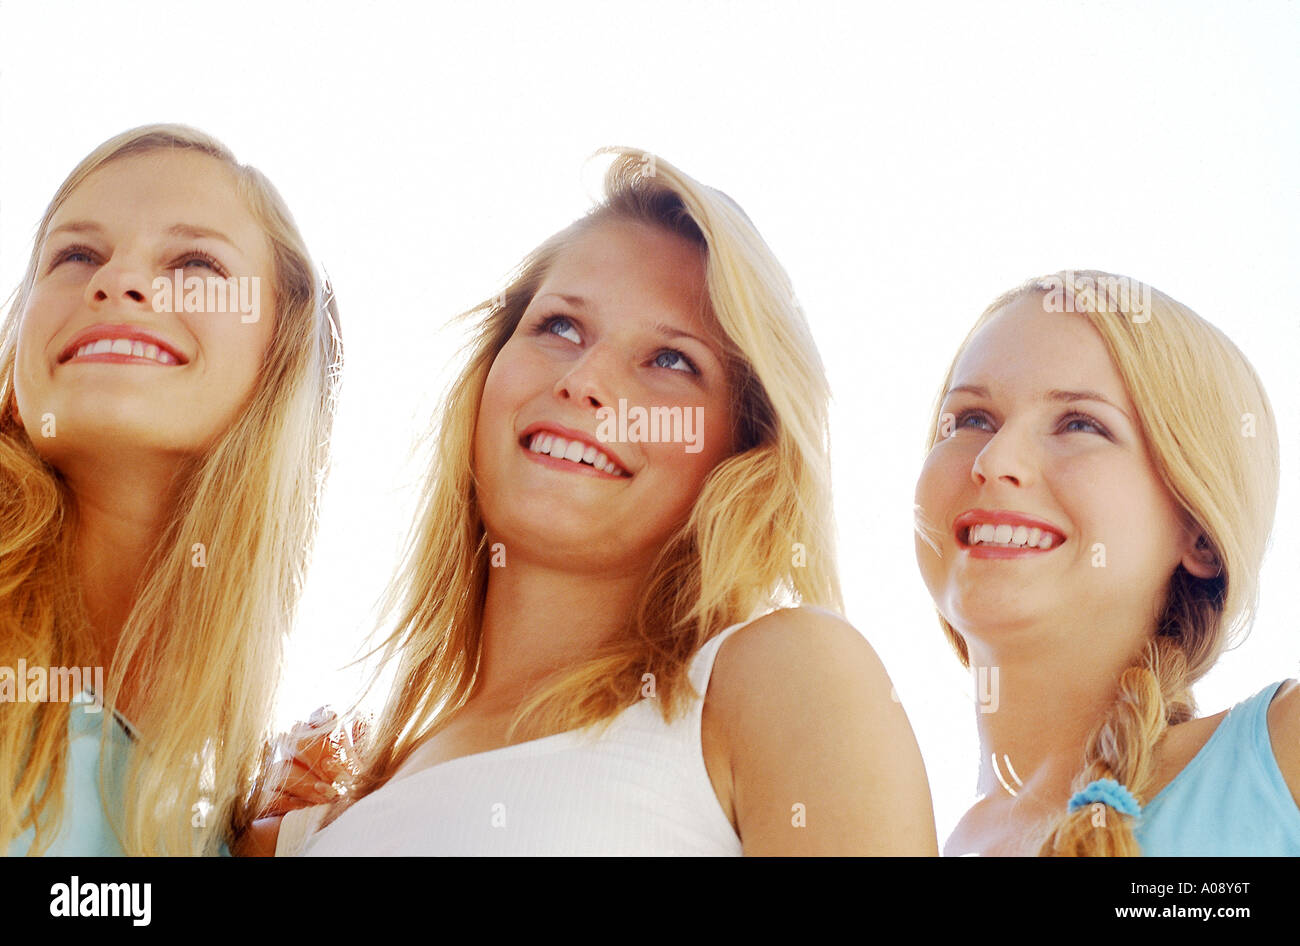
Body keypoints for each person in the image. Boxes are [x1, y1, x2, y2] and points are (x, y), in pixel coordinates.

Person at [257, 149, 936, 856]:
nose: (586, 382)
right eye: (560, 327)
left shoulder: (782, 676)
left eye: (671, 361)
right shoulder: (341, 808)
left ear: (743, 449)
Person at [0, 124, 342, 855]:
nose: (116, 281)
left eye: (194, 263)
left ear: (279, 350)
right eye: (75, 254)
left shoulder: (211, 813)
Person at [913, 270, 1300, 855]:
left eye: (1079, 424)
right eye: (971, 418)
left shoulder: (1283, 753)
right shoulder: (917, 838)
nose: (994, 460)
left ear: (1198, 531)